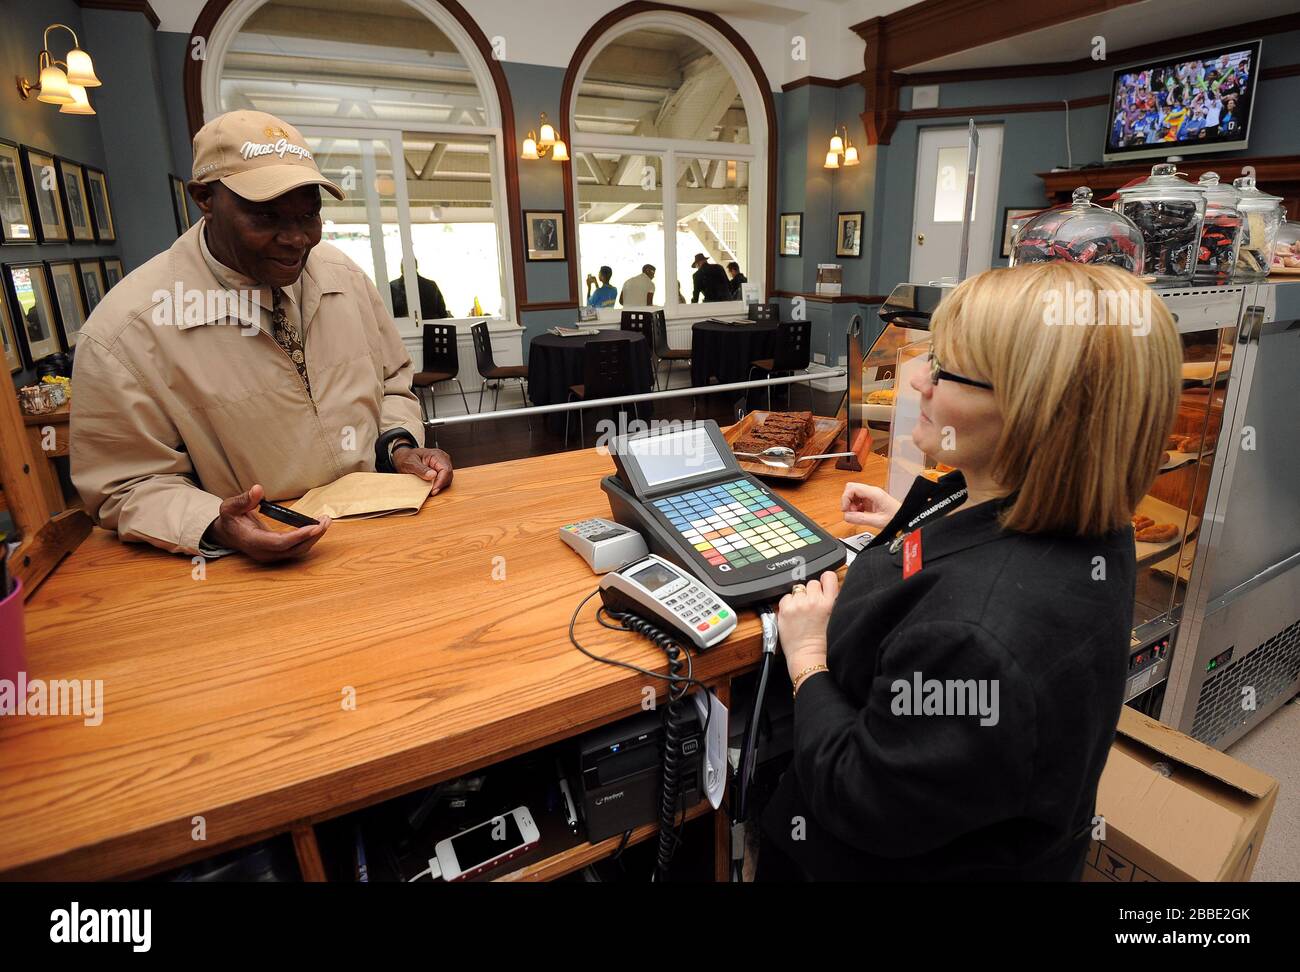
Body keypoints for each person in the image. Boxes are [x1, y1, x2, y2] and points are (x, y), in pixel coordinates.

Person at [758, 261, 1181, 881]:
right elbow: (985, 539)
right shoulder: (1093, 521)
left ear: (1038, 411)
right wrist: (914, 527)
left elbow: (860, 794)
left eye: (946, 369)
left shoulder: (975, 640)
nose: (919, 382)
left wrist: (807, 659)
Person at [71, 110, 452, 563]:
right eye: (266, 216)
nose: (295, 239)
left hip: (383, 534)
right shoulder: (127, 330)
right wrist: (214, 522)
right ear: (204, 199)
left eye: (309, 215)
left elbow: (392, 384)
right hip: (243, 570)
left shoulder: (343, 276)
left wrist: (399, 446)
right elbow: (124, 485)